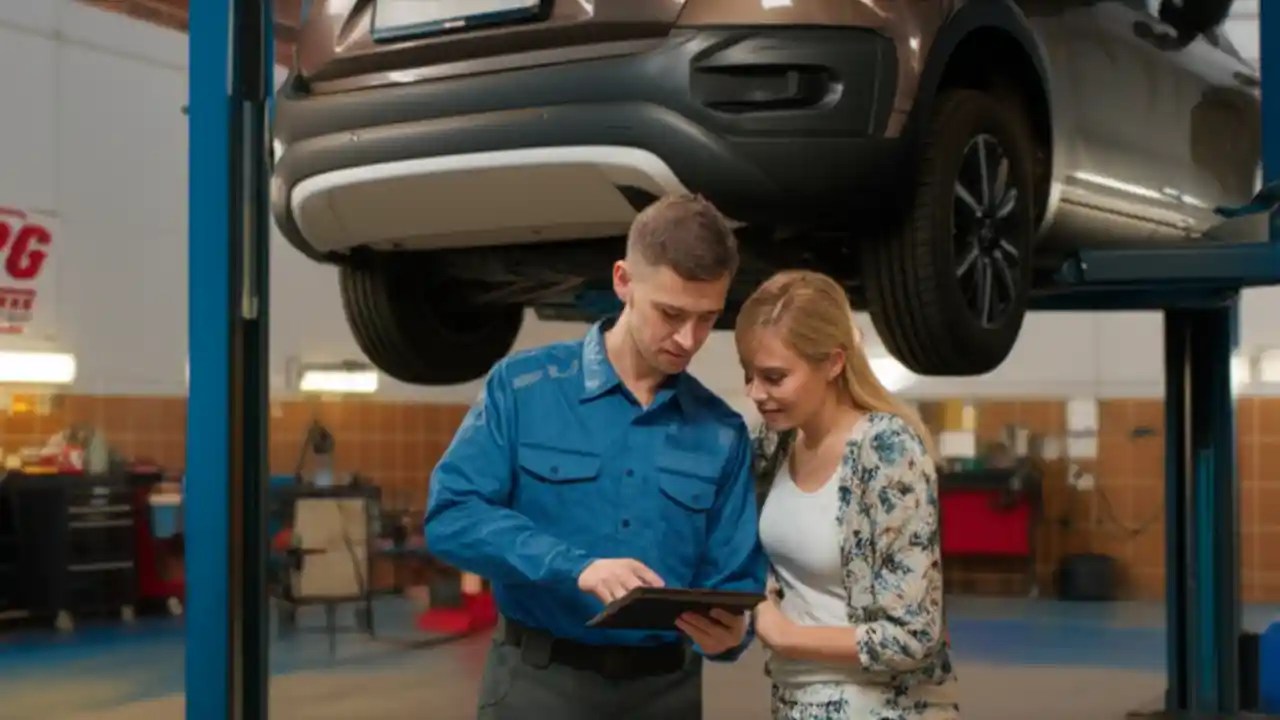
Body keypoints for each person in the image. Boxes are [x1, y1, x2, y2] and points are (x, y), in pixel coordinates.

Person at [424, 193, 768, 720]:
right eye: (671, 313)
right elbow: (452, 517)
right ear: (623, 281)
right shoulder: (522, 389)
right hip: (538, 685)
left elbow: (734, 580)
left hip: (667, 693)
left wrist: (730, 635)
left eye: (707, 318)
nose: (688, 339)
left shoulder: (721, 432)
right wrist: (574, 567)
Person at [734, 269, 960, 720]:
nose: (757, 393)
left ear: (834, 363)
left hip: (881, 707)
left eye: (775, 377)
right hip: (794, 698)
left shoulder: (886, 450)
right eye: (750, 375)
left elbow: (913, 635)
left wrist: (783, 634)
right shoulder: (777, 442)